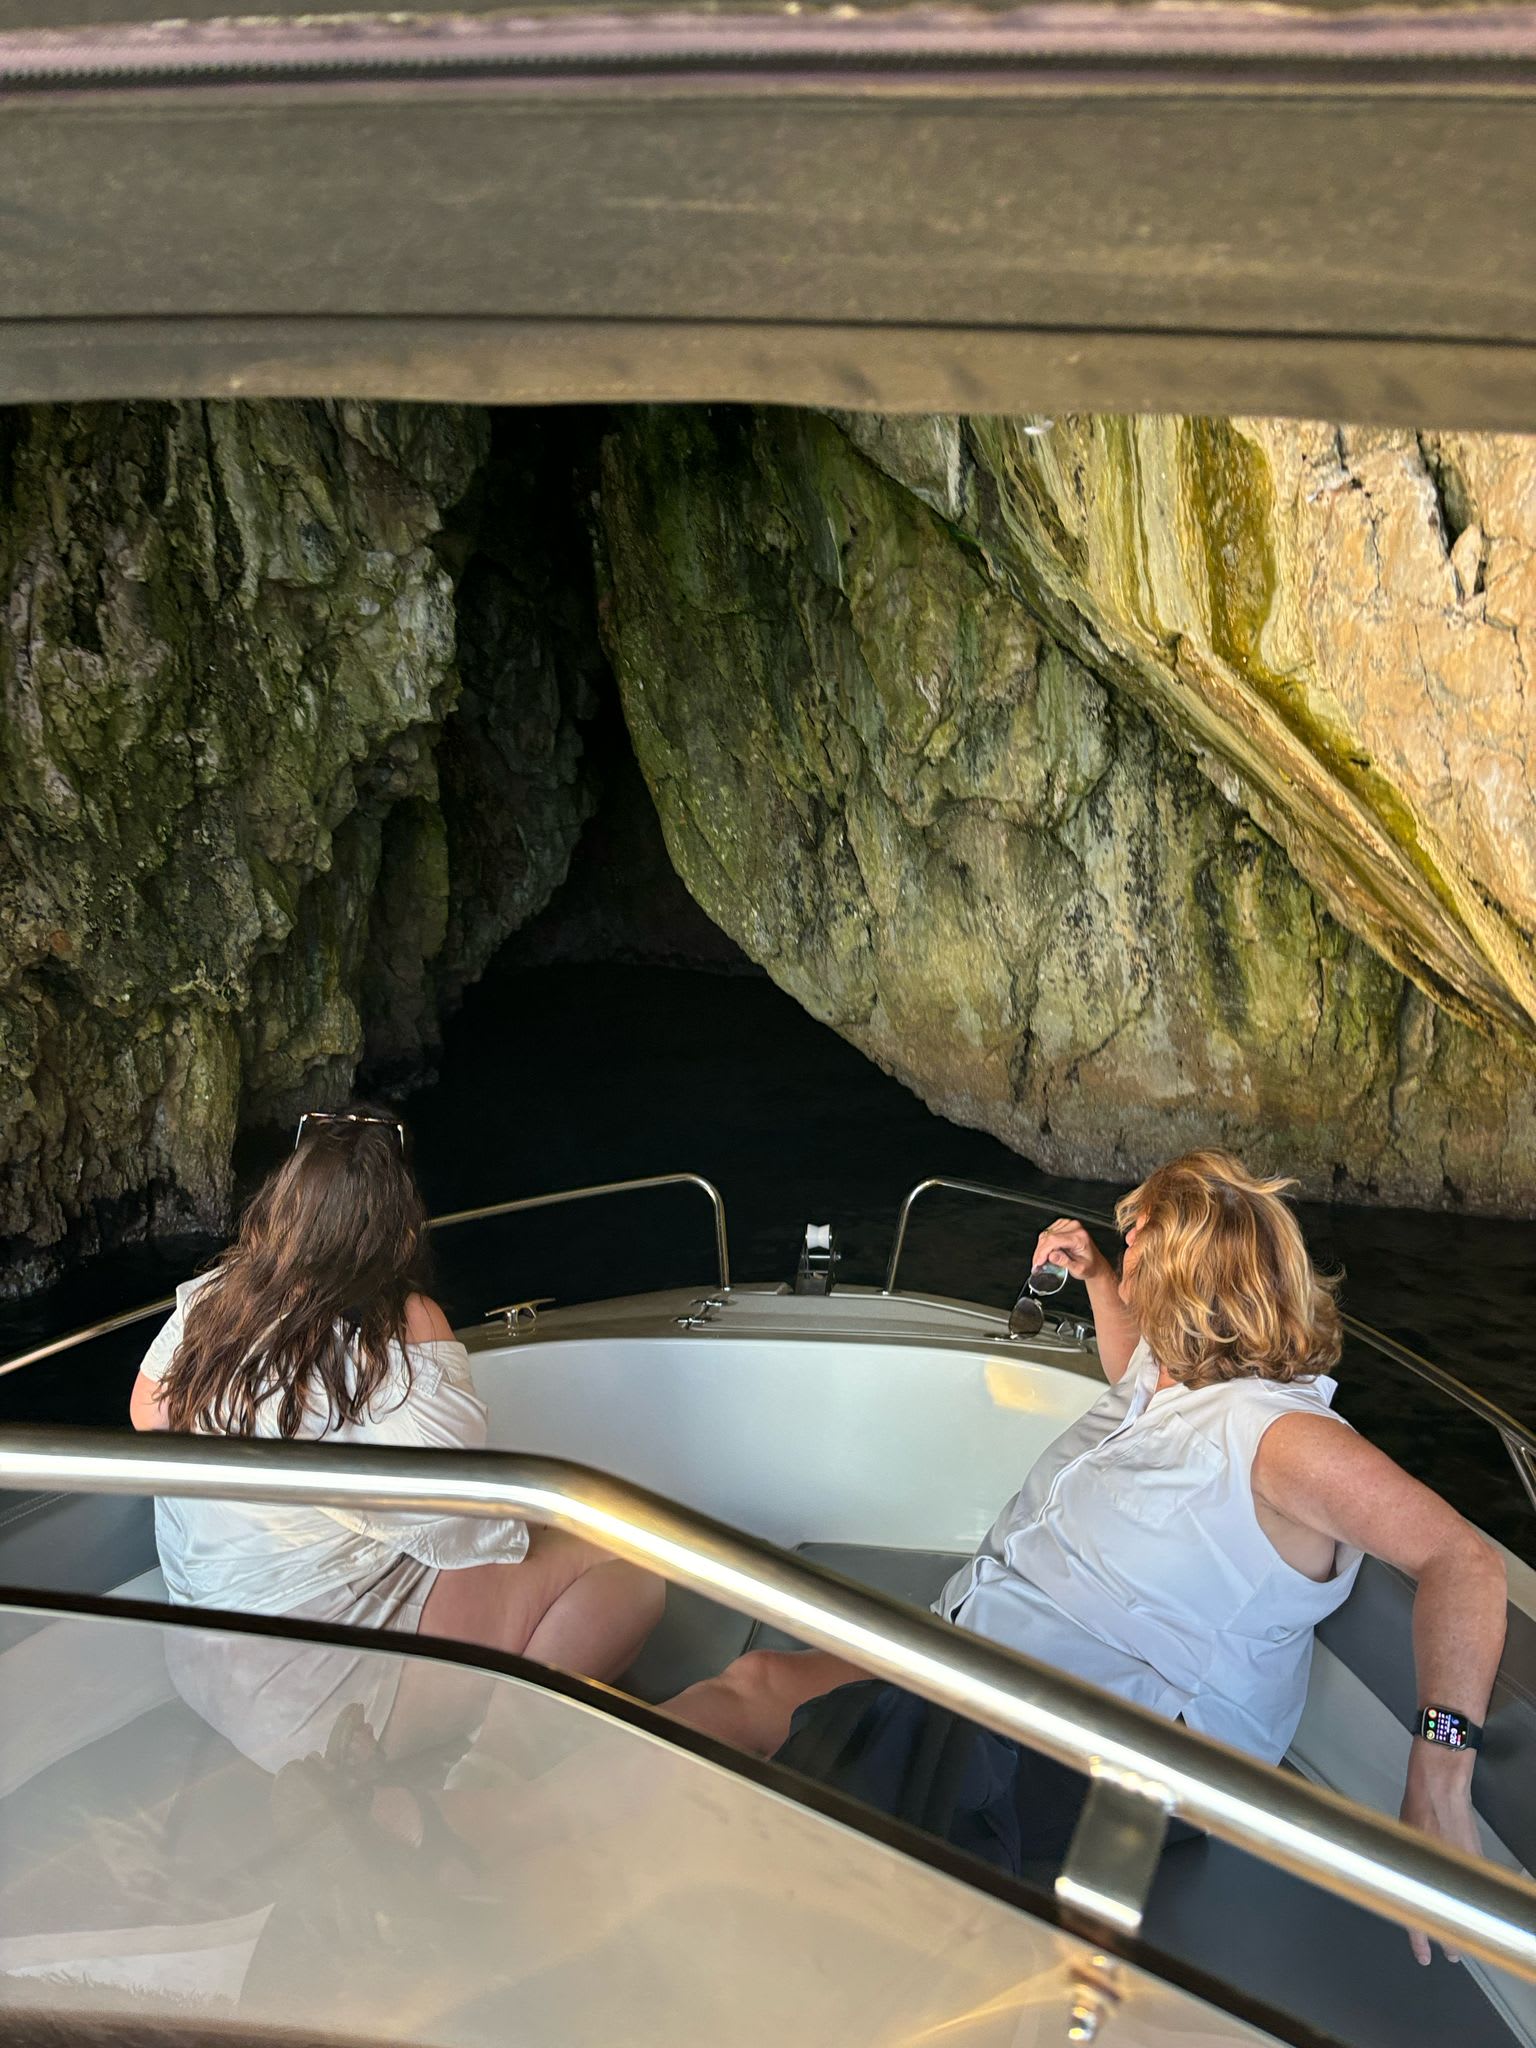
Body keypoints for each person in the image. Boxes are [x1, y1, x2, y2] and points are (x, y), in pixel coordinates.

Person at [664, 1150, 1508, 1964]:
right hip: (982, 1653)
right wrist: (1101, 1280)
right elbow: (1130, 1373)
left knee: (806, 1817)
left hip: (1107, 1742)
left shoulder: (1282, 1440)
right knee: (754, 1689)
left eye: (1136, 1249)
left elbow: (1460, 1559)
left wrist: (1439, 1769)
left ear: (1185, 1278)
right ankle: (572, 1817)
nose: (1126, 1258)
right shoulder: (1169, 1374)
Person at [129, 1105, 664, 1771]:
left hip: (206, 1659)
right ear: (397, 1227)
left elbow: (149, 1416)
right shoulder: (402, 1326)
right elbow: (456, 1511)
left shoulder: (216, 1300)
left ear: (286, 1201)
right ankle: (490, 1778)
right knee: (629, 1573)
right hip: (321, 1700)